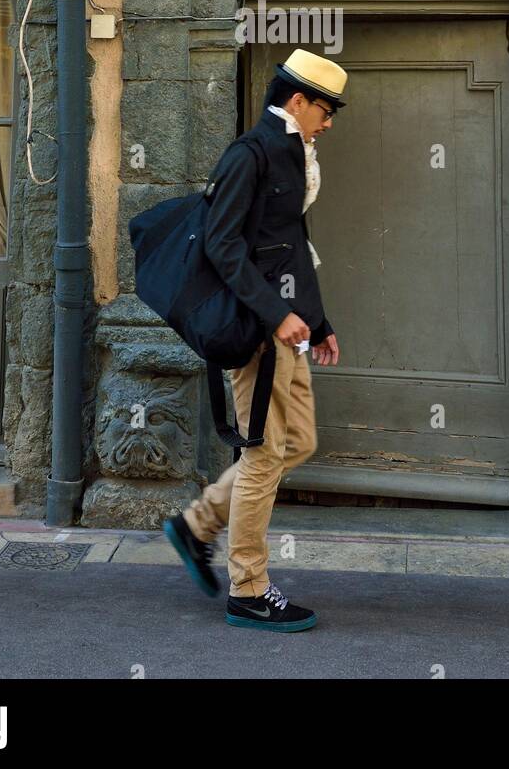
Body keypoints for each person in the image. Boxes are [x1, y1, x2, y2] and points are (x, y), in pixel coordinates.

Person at [163, 48, 347, 632]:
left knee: (298, 442)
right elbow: (222, 244)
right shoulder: (251, 153)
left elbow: (290, 242)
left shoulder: (295, 152)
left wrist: (317, 323)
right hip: (257, 331)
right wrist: (274, 315)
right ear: (297, 101)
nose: (331, 120)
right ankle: (249, 588)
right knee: (264, 453)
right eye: (326, 108)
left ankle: (196, 525)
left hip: (288, 328)